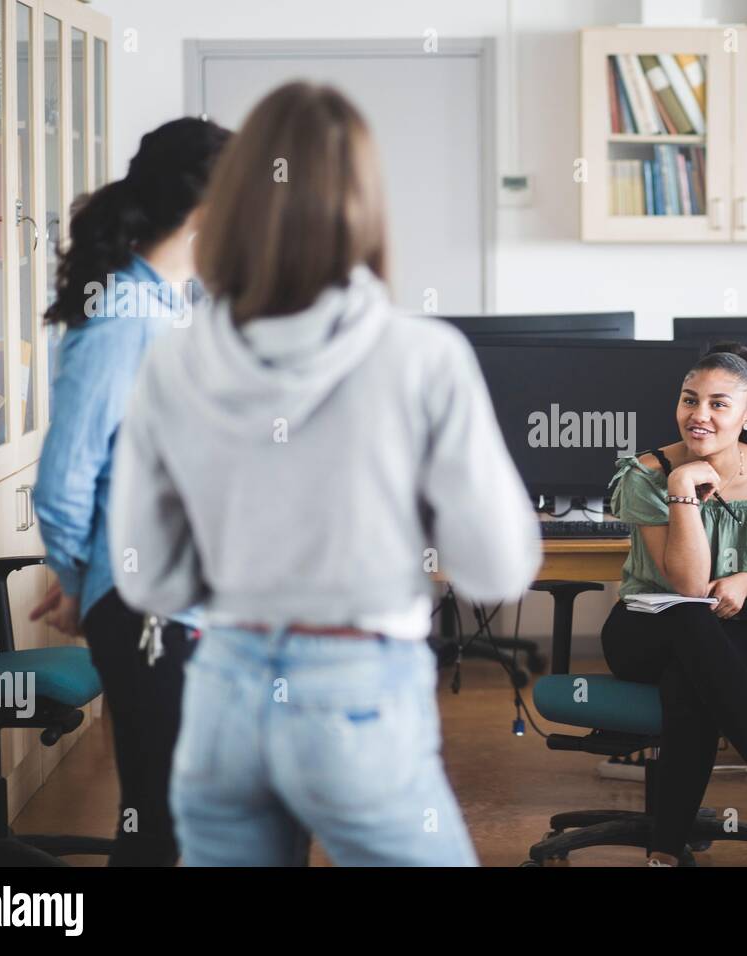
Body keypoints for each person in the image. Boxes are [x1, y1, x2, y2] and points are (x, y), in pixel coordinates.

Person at [108, 82, 540, 866]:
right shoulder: (422, 356)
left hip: (221, 694)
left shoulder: (175, 358)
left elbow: (148, 577)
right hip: (358, 693)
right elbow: (499, 566)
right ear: (366, 205)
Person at [31, 117, 230, 866]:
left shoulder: (183, 307)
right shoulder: (124, 318)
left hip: (183, 597)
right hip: (150, 608)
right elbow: (63, 482)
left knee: (185, 820)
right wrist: (86, 584)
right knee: (164, 820)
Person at [603, 342, 747, 867]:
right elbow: (686, 584)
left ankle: (663, 854)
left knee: (693, 681)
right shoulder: (649, 471)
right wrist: (682, 486)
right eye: (689, 400)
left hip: (723, 634)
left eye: (718, 404)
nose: (698, 415)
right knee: (688, 617)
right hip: (643, 631)